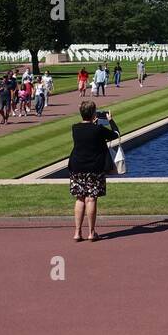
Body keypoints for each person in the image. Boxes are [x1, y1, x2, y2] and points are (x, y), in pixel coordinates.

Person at [68, 100, 120, 242]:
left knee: (80, 198)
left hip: (77, 166)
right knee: (91, 198)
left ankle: (77, 232)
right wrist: (110, 120)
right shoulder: (98, 129)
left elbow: (88, 133)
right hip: (94, 168)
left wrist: (93, 122)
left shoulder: (75, 128)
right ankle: (91, 232)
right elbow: (115, 134)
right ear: (93, 113)